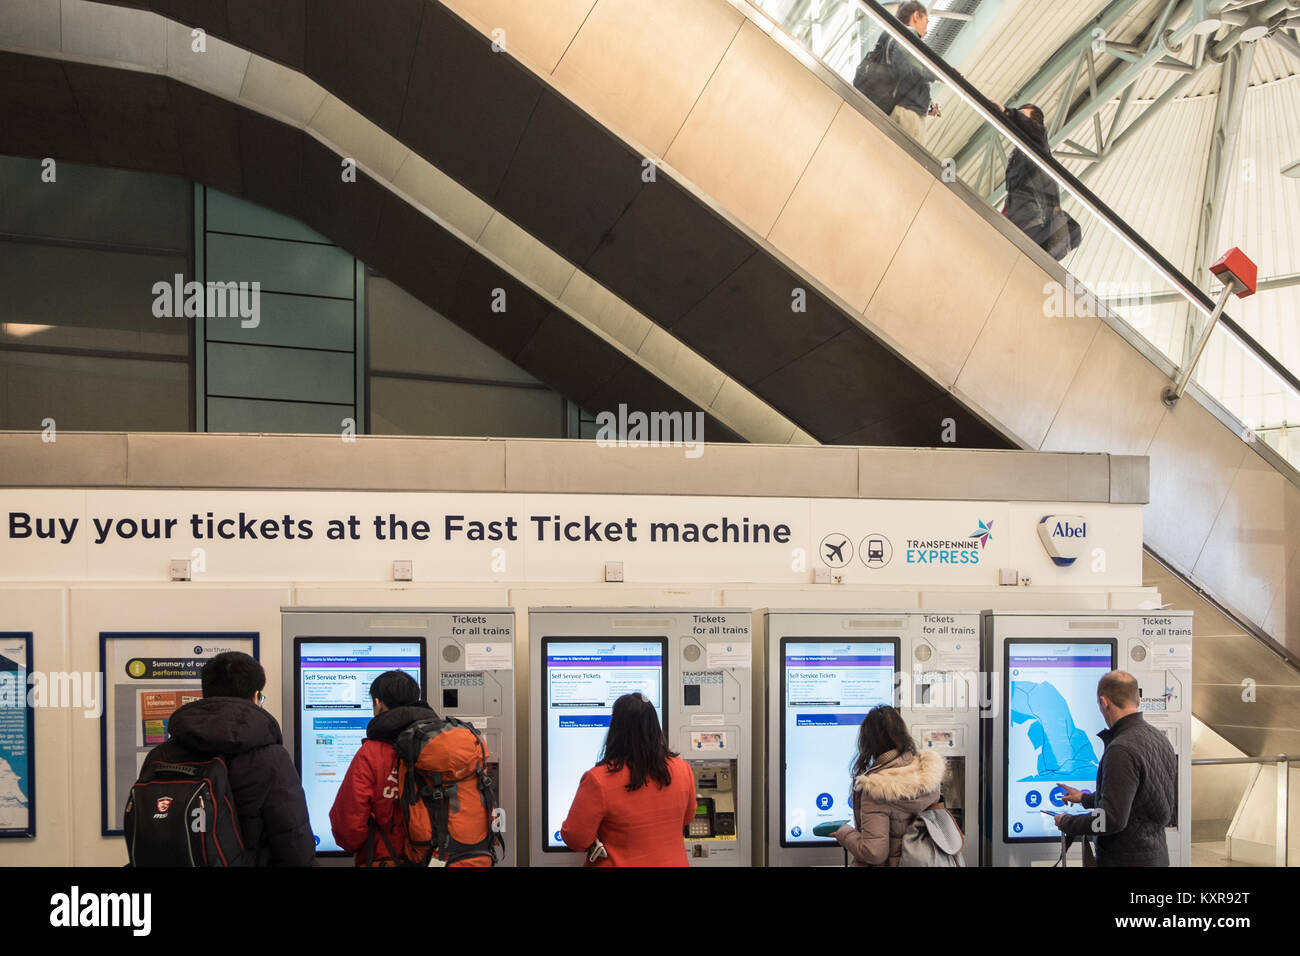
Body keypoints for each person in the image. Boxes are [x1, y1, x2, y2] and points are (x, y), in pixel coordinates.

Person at [139, 651, 315, 865]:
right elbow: (294, 843)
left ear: (206, 693)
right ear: (256, 696)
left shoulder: (160, 756)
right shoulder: (271, 759)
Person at [1054, 670, 1178, 866]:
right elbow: (1138, 799)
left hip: (1126, 860)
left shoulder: (1121, 749)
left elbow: (1111, 819)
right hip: (1156, 857)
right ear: (1136, 700)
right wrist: (1084, 798)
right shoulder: (1159, 739)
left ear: (1104, 703)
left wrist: (1067, 822)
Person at [560, 693, 696, 866]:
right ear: (655, 726)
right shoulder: (682, 769)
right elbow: (687, 817)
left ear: (616, 729)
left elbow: (576, 839)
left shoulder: (598, 779)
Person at [329, 670, 435, 866]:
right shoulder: (438, 747)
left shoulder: (371, 754)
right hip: (433, 859)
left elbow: (347, 829)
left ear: (378, 703)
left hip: (385, 859)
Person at [833, 704, 945, 866]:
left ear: (868, 740)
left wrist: (843, 832)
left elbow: (874, 853)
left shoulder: (877, 788)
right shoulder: (926, 773)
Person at [999, 102, 1078, 258]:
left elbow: (1034, 131)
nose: (1016, 124)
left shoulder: (1038, 146)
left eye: (1023, 118)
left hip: (1031, 220)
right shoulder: (1016, 156)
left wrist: (1008, 113)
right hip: (1017, 219)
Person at [853, 1, 938, 141]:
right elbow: (909, 70)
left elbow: (905, 80)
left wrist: (931, 107)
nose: (926, 30)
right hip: (907, 116)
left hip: (900, 110)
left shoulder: (891, 38)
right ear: (916, 16)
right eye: (926, 22)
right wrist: (936, 74)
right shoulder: (907, 36)